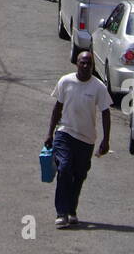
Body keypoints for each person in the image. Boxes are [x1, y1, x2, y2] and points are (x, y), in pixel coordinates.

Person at [45, 51, 111, 228]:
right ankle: (61, 213)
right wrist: (50, 133)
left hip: (86, 139)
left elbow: (106, 113)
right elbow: (57, 108)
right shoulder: (65, 82)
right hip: (65, 133)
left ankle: (71, 210)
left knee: (79, 175)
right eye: (82, 62)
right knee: (64, 168)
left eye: (89, 63)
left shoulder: (98, 87)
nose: (85, 66)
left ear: (93, 66)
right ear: (76, 63)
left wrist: (106, 140)